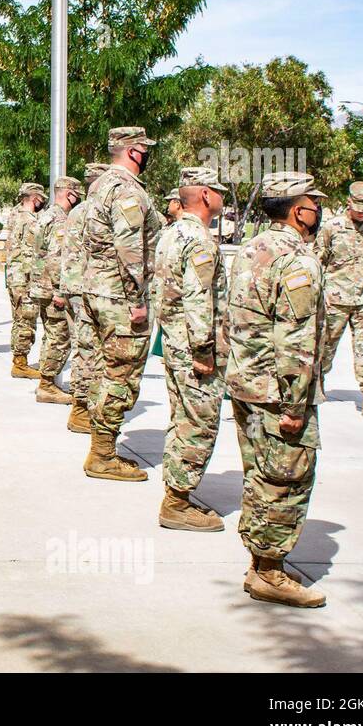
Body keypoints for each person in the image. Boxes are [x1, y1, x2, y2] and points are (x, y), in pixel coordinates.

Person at [228, 171, 328, 608]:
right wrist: (295, 403)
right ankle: (269, 571)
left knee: (259, 476)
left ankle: (260, 562)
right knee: (285, 480)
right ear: (297, 210)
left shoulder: (250, 248)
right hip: (277, 390)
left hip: (248, 383)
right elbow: (297, 338)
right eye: (314, 203)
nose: (318, 210)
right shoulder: (298, 260)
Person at [82, 127, 164, 482]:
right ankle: (102, 454)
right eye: (145, 151)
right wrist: (137, 299)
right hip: (119, 296)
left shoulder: (100, 185)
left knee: (107, 369)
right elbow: (129, 246)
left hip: (99, 291)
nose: (147, 157)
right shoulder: (126, 189)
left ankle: (100, 444)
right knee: (122, 375)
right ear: (133, 151)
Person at [153, 168, 230, 532]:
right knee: (198, 423)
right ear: (203, 194)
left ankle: (176, 492)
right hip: (192, 347)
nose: (222, 196)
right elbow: (198, 298)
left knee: (181, 419)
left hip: (173, 339)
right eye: (218, 191)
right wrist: (203, 350)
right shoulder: (197, 239)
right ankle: (177, 503)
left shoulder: (172, 233)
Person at [317, 180, 363, 415]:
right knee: (325, 347)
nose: (362, 213)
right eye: (358, 207)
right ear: (349, 203)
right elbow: (318, 261)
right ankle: (318, 384)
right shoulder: (331, 228)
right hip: (334, 299)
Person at [60, 164, 108, 431]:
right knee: (90, 351)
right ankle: (82, 409)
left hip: (72, 286)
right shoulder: (97, 211)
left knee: (82, 349)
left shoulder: (77, 211)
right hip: (87, 289)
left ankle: (81, 406)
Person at [31, 176, 83, 402]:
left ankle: (47, 380)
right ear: (69, 194)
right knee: (59, 337)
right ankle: (47, 385)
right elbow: (55, 257)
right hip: (53, 288)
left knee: (52, 334)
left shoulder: (47, 215)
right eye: (77, 193)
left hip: (42, 285)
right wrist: (60, 291)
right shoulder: (60, 219)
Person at [5, 183, 46, 376]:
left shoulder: (15, 215)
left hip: (14, 275)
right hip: (25, 278)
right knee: (26, 321)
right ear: (35, 199)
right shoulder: (30, 221)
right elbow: (31, 253)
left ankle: (19, 360)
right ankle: (20, 363)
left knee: (19, 318)